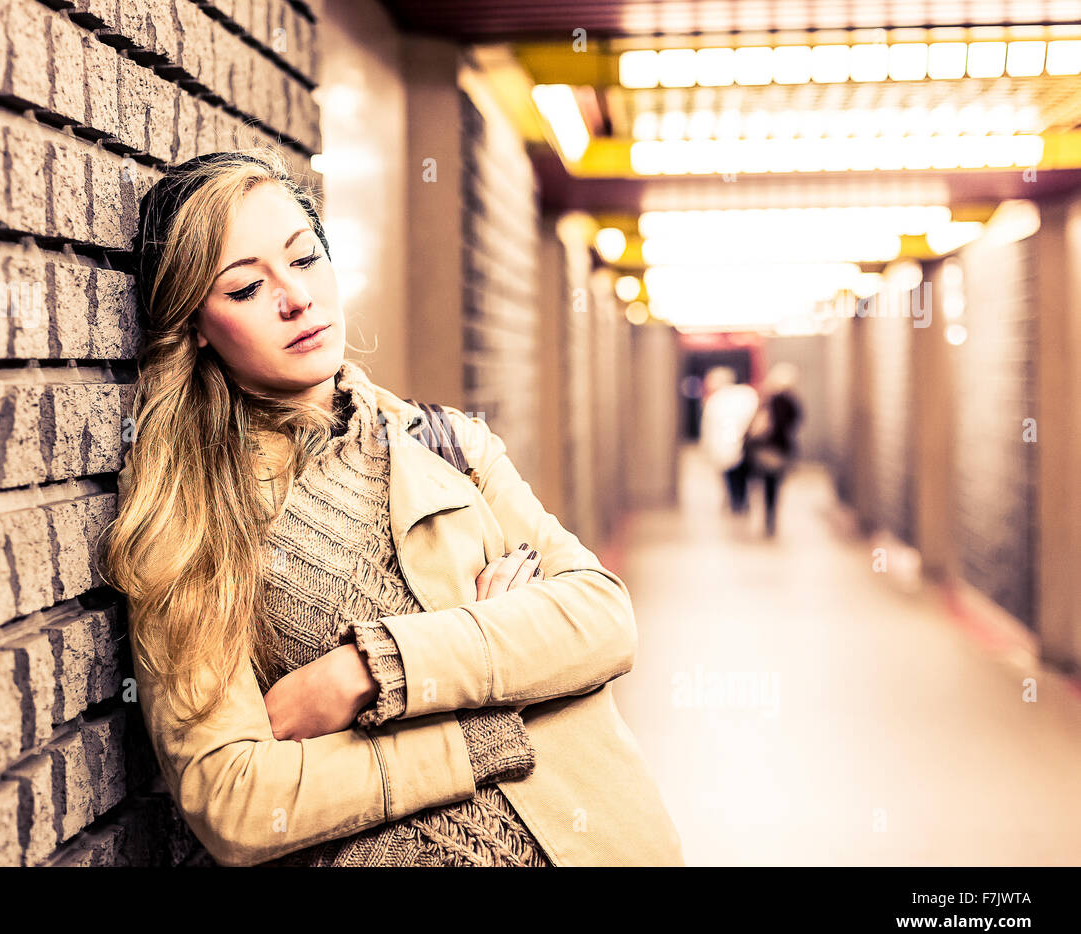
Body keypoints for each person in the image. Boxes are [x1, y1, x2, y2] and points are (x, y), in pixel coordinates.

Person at [99, 143, 683, 867]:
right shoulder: (190, 521)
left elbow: (601, 619)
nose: (296, 298)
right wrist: (482, 716)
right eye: (245, 289)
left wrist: (370, 674)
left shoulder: (449, 443)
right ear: (195, 325)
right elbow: (237, 798)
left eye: (305, 258)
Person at [742, 363, 803, 537]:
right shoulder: (788, 401)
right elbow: (794, 421)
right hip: (777, 448)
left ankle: (765, 514)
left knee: (765, 483)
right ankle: (770, 516)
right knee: (773, 484)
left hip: (766, 447)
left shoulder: (770, 399)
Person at [698, 366, 758, 514]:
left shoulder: (717, 400)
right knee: (740, 474)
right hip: (742, 444)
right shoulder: (747, 395)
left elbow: (709, 427)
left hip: (730, 445)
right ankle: (740, 500)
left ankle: (737, 500)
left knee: (731, 474)